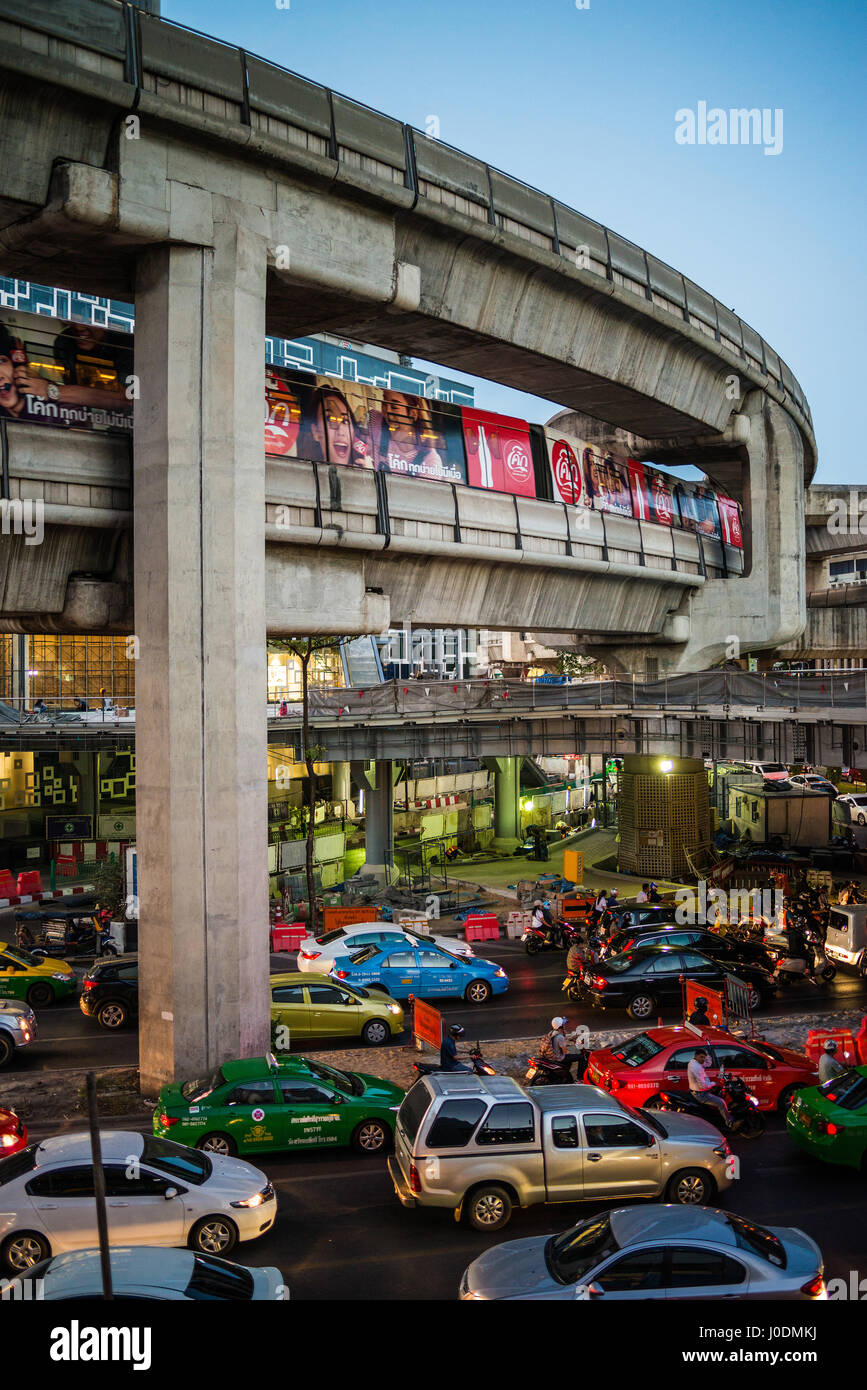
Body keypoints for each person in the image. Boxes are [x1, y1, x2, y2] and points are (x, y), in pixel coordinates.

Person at [687, 1048, 730, 1126]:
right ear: (696, 1056)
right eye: (701, 1057)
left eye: (704, 1057)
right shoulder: (696, 1067)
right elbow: (702, 1086)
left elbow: (708, 1063)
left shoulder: (694, 1061)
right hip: (700, 1094)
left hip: (699, 1090)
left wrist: (707, 1053)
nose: (703, 1059)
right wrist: (714, 1083)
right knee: (721, 1102)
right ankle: (729, 1122)